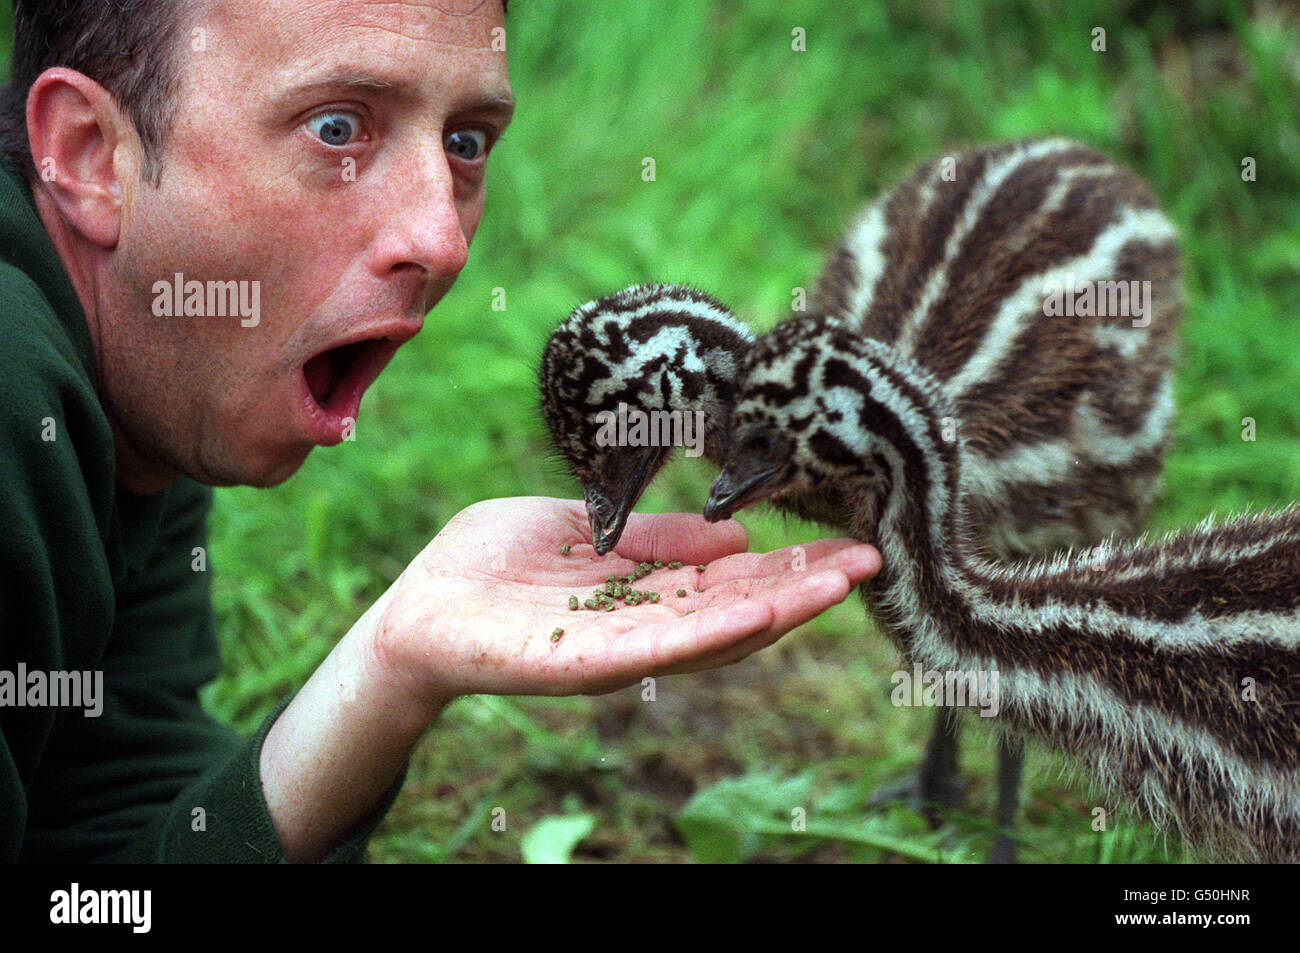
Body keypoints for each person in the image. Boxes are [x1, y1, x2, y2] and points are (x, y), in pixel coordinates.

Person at [0, 0, 880, 863]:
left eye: (466, 143)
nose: (444, 238)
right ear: (88, 152)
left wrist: (387, 671)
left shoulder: (147, 404)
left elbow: (105, 827)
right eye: (337, 129)